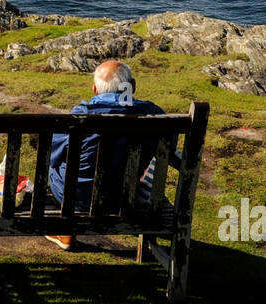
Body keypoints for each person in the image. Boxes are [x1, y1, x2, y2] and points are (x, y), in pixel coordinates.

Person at [44, 59, 175, 251]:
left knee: (54, 166)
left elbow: (52, 155)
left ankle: (66, 231)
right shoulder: (152, 114)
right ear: (132, 86)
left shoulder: (78, 116)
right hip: (125, 198)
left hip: (78, 198)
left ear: (94, 89)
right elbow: (168, 147)